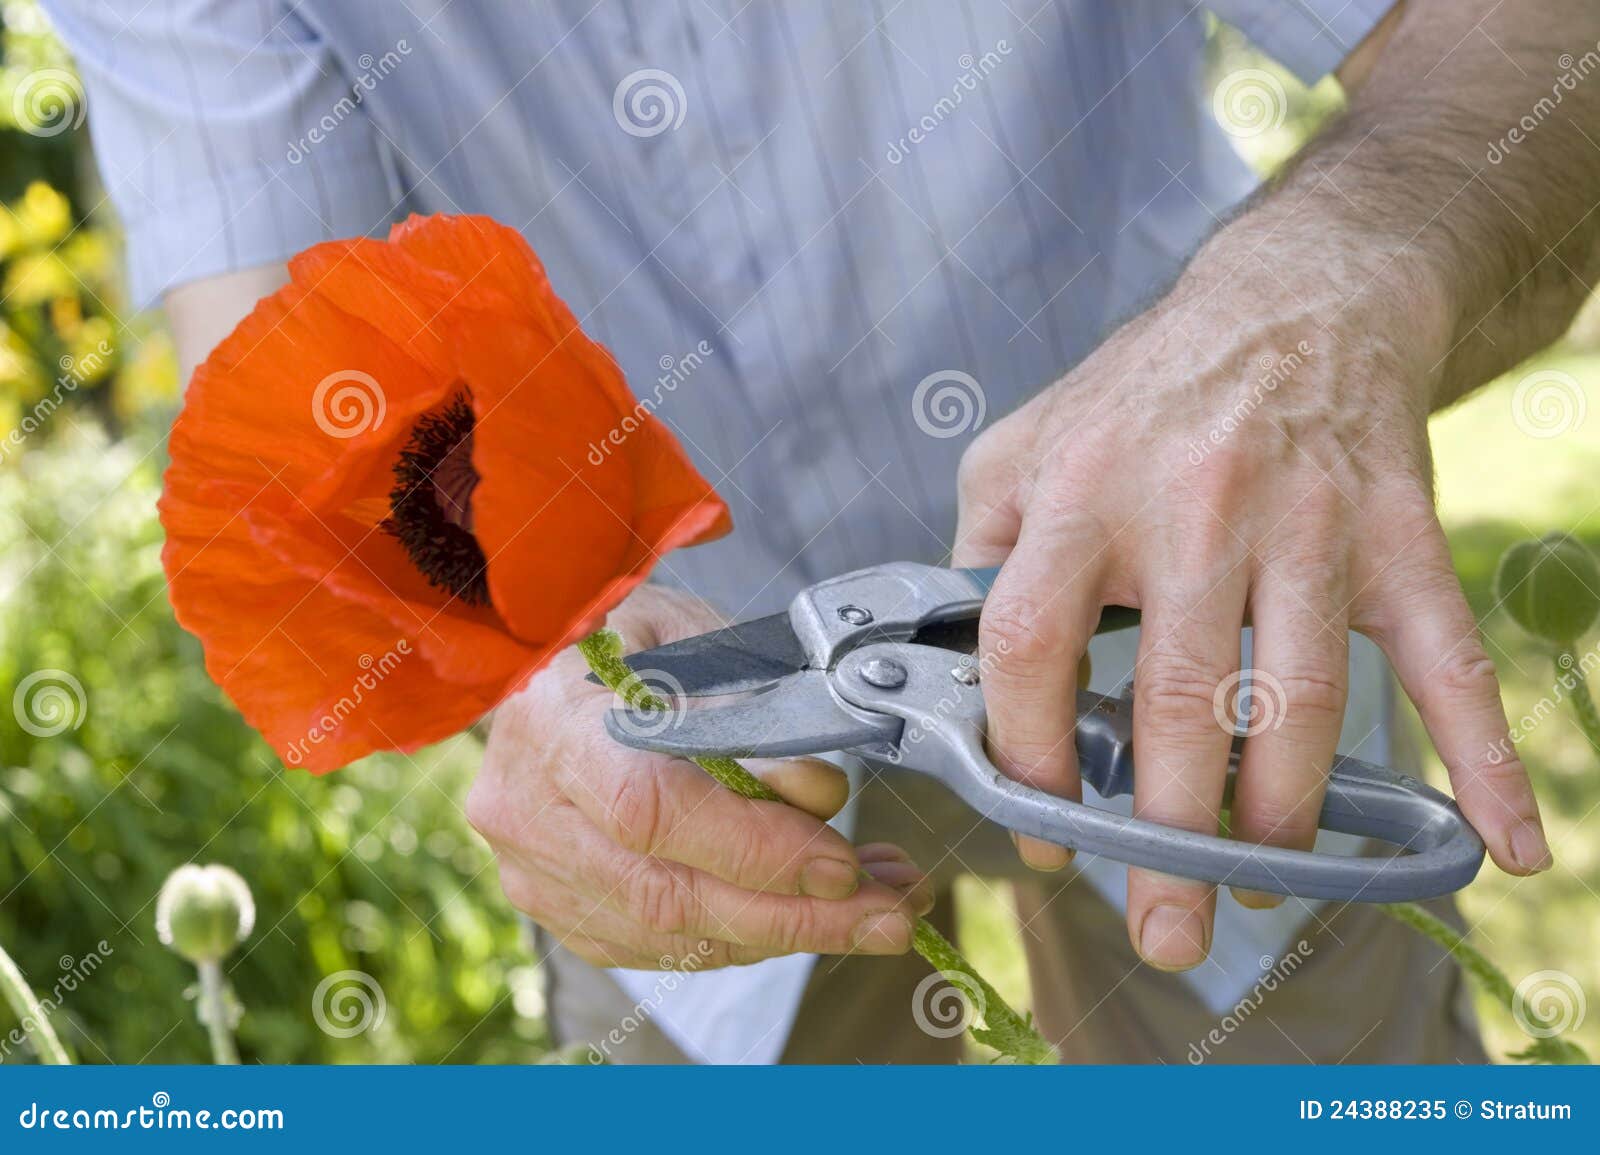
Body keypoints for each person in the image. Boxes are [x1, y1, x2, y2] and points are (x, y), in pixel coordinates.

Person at [47, 0, 1596, 1063]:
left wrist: (1318, 295)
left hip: (1189, 572)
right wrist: (542, 690)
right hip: (679, 712)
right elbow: (291, 408)